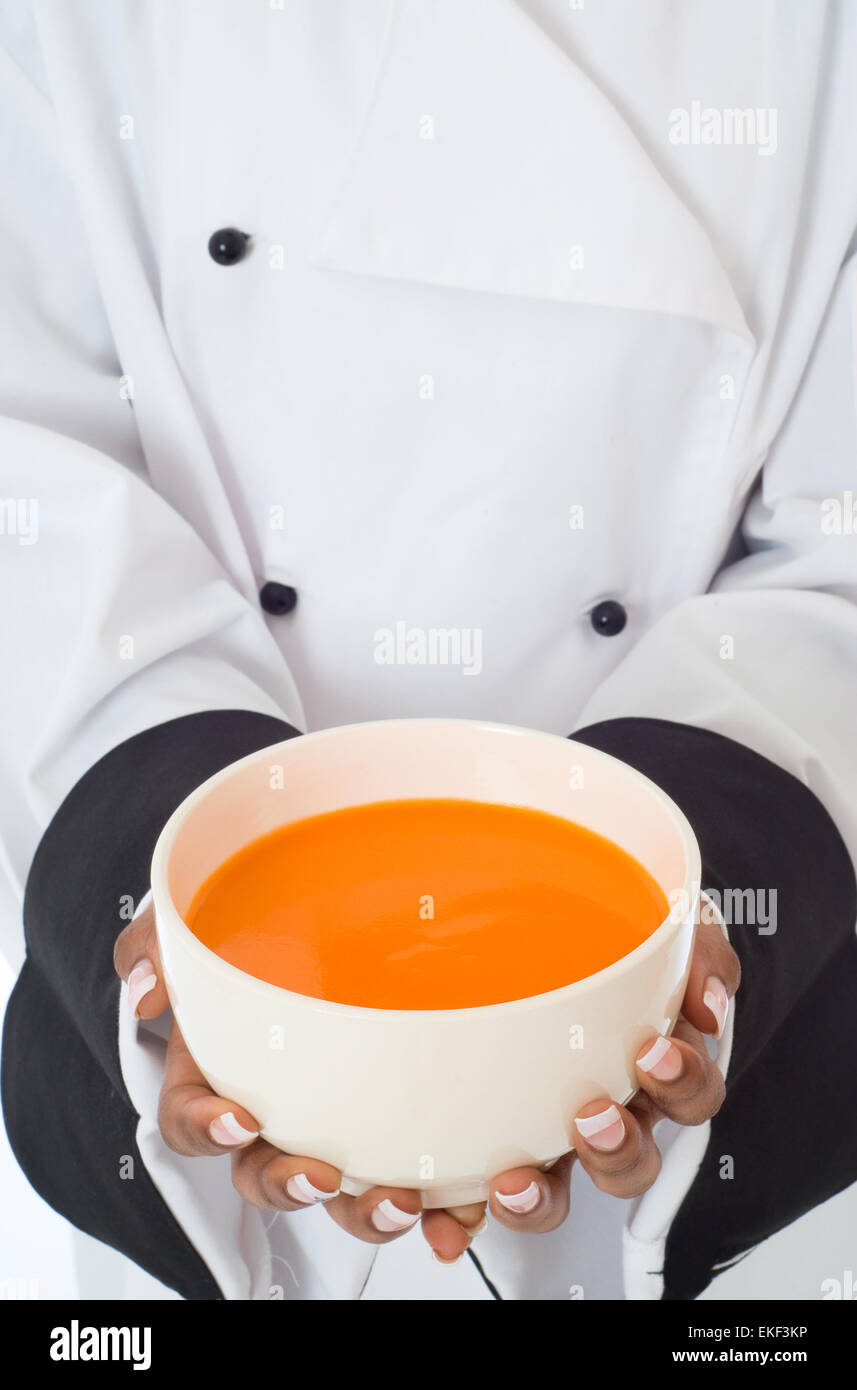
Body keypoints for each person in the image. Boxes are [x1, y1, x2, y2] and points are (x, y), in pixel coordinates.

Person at [1, 0, 855, 1302]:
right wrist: (160, 875)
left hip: (701, 1063)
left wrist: (693, 902)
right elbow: (28, 474)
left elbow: (836, 550)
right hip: (201, 1009)